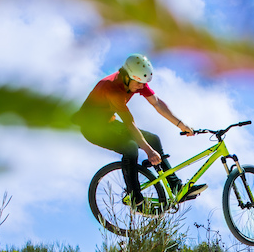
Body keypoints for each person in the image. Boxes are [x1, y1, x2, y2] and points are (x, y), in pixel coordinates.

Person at [74, 53, 205, 210]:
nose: (142, 87)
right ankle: (135, 198)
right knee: (130, 147)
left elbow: (157, 103)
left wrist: (181, 125)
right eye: (139, 84)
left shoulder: (136, 81)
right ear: (127, 77)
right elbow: (130, 124)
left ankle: (176, 187)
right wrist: (149, 151)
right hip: (92, 128)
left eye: (144, 84)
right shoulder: (111, 88)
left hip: (108, 122)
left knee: (153, 139)